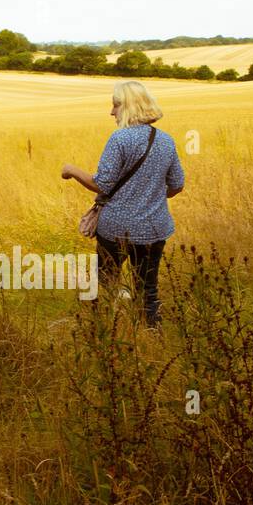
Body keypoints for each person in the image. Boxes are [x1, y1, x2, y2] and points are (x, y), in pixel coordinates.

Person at [61, 80, 184, 327]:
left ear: (128, 106)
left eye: (116, 105)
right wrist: (151, 197)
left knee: (105, 284)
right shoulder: (166, 140)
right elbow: (177, 185)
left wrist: (71, 170)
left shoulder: (120, 139)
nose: (112, 112)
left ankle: (105, 333)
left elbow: (102, 184)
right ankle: (152, 334)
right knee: (148, 290)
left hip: (115, 230)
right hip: (154, 229)